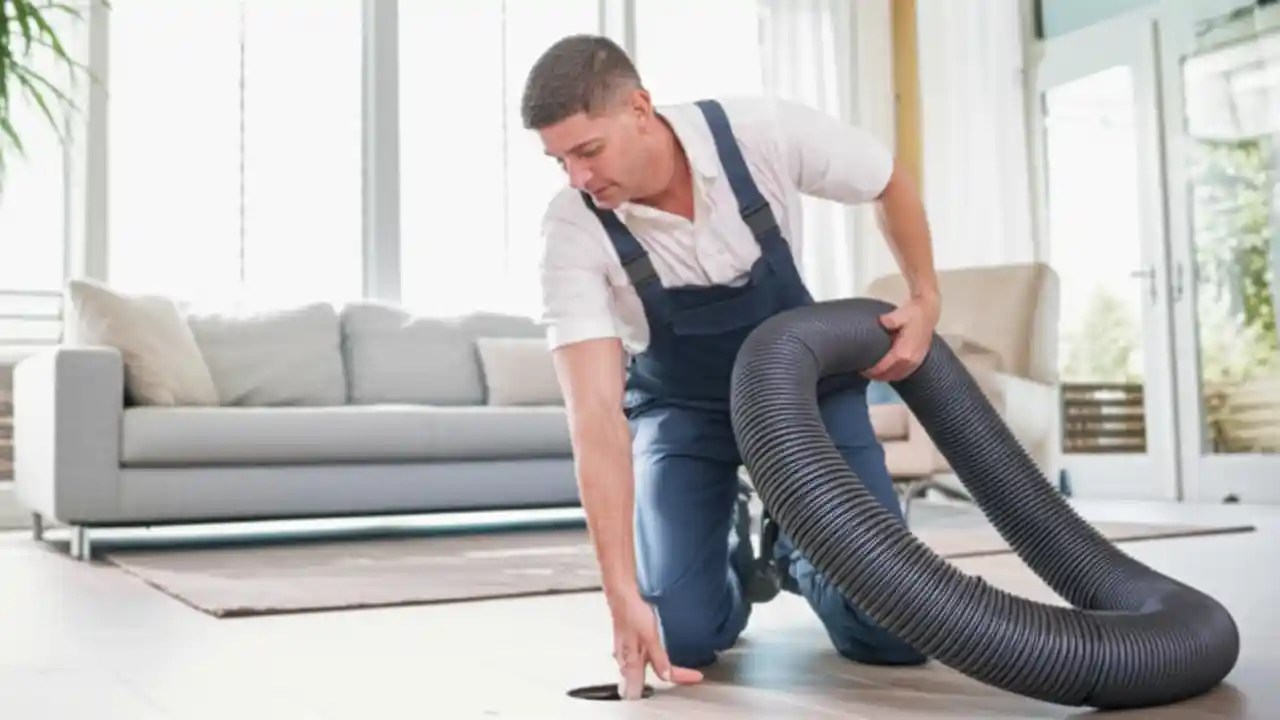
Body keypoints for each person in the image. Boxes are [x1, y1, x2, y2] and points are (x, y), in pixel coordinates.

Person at [521, 35, 941, 700]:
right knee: (680, 636)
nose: (577, 177)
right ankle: (731, 554)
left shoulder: (759, 134)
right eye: (559, 160)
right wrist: (621, 595)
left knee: (893, 631)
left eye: (588, 151)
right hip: (684, 409)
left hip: (804, 395)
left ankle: (797, 549)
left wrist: (924, 296)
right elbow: (595, 417)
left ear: (639, 108)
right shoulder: (573, 229)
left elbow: (886, 178)